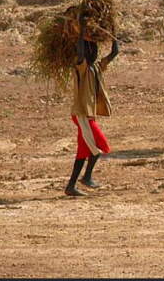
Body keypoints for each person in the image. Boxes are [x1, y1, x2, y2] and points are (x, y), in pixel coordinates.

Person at [65, 13, 119, 197]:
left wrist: (113, 34)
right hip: (81, 115)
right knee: (100, 147)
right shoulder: (80, 66)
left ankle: (71, 186)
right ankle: (85, 178)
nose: (95, 53)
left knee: (84, 152)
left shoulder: (96, 67)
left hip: (88, 115)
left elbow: (114, 53)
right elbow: (80, 51)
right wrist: (80, 31)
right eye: (93, 50)